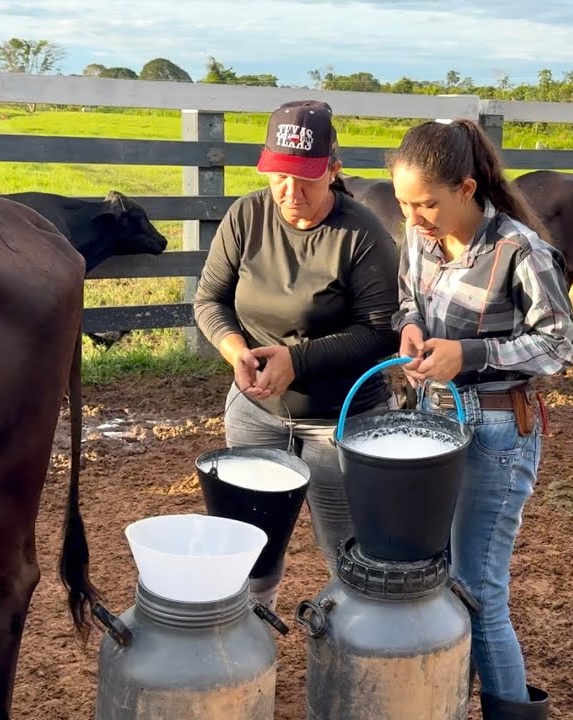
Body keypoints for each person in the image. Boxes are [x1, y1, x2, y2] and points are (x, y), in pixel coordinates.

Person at [387, 119, 573, 720]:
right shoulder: (420, 238)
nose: (414, 217)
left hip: (496, 431)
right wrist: (410, 330)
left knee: (477, 586)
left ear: (467, 189)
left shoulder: (518, 249)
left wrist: (470, 354)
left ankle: (509, 709)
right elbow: (407, 300)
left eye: (427, 204)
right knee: (437, 571)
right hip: (433, 421)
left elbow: (560, 344)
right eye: (404, 203)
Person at [192, 100, 400, 609]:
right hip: (257, 407)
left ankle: (352, 643)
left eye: (306, 178)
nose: (291, 193)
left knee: (346, 547)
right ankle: (251, 631)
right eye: (279, 177)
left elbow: (380, 333)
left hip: (341, 417)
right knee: (250, 543)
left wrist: (296, 361)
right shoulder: (246, 216)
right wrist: (234, 348)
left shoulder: (362, 234)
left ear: (333, 169)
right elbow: (209, 299)